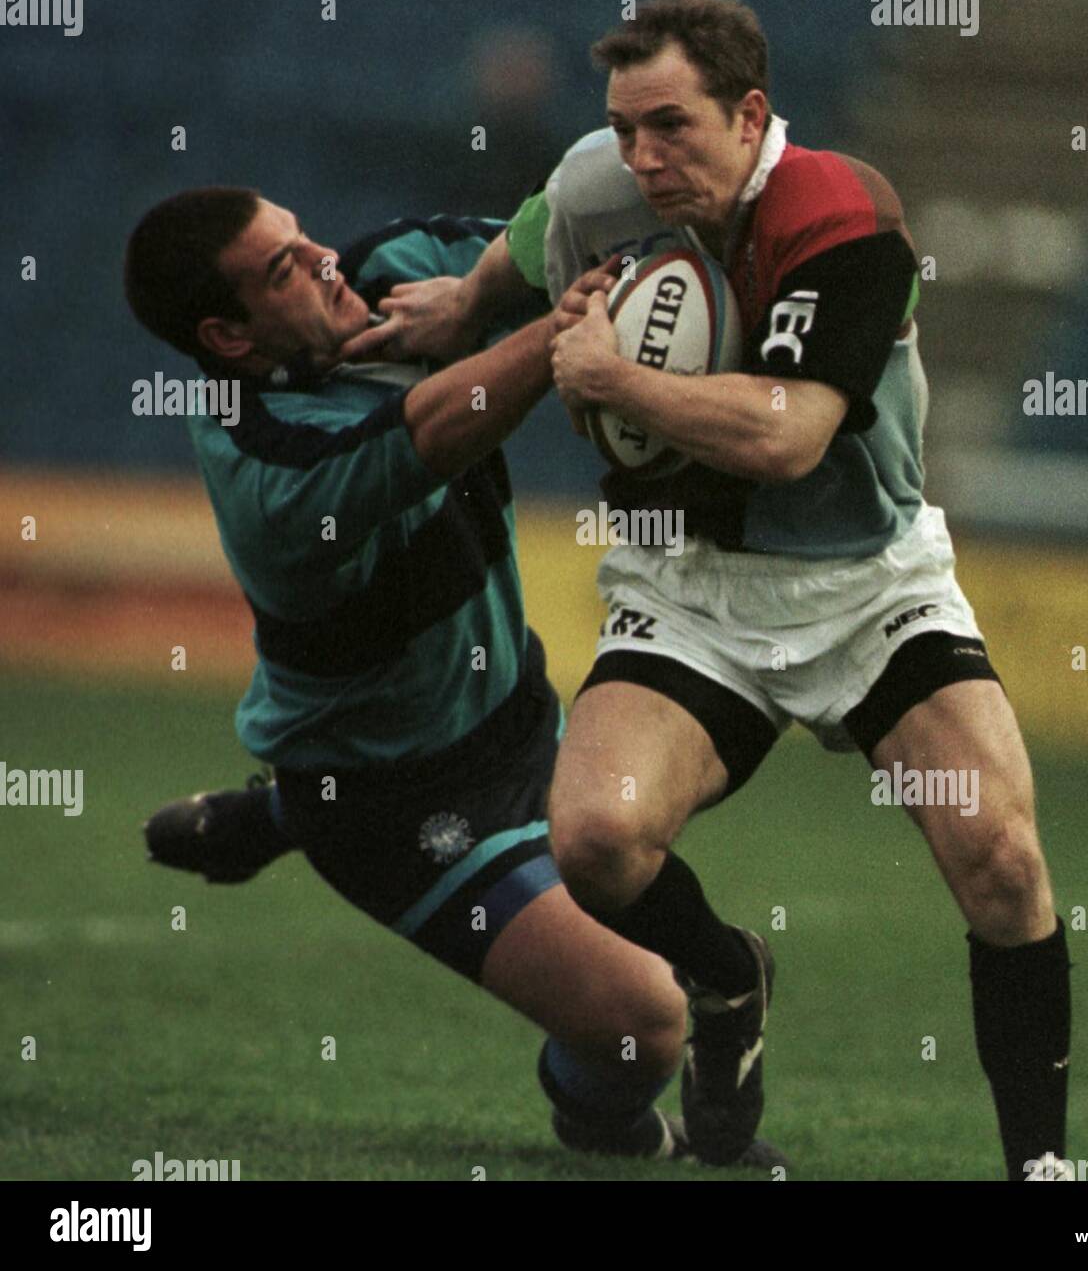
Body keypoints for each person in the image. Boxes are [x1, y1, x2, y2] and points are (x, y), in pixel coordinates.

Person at [352, 0, 1073, 1180]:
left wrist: (609, 376)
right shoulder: (602, 180)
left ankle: (1043, 1173)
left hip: (867, 588)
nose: (643, 156)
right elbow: (536, 233)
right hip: (690, 589)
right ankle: (728, 977)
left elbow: (790, 435)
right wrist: (468, 306)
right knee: (593, 841)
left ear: (751, 114)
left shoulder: (845, 217)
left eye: (672, 127)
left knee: (999, 856)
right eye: (627, 127)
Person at [123, 185, 781, 1169]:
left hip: (517, 717)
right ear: (226, 336)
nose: (325, 262)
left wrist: (514, 282)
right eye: (285, 271)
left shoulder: (390, 271)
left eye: (305, 235)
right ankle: (603, 1126)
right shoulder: (272, 470)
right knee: (647, 1018)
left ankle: (271, 818)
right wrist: (562, 331)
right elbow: (436, 426)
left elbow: (567, 230)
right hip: (393, 804)